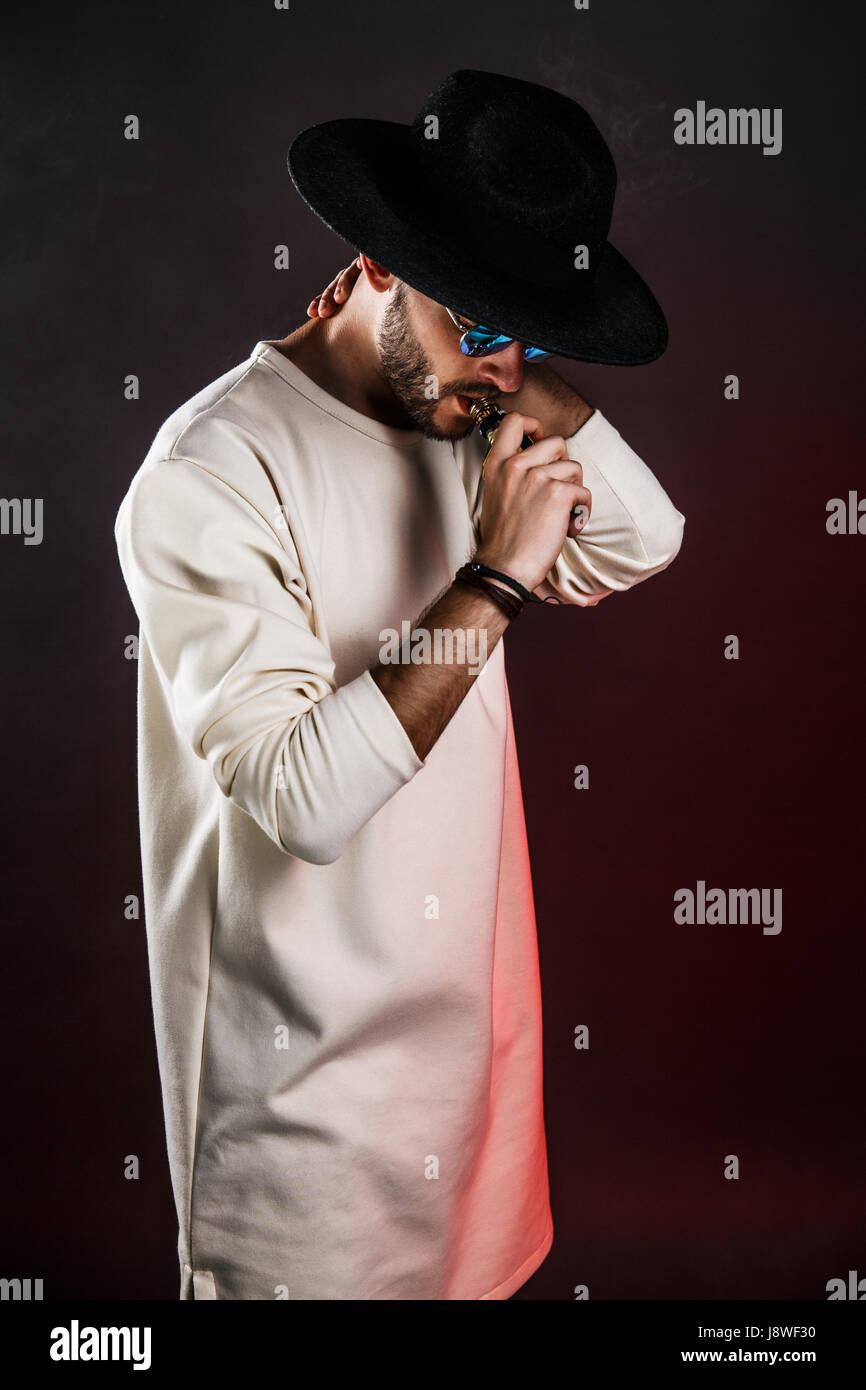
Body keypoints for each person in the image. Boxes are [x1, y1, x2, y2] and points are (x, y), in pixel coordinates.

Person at [114, 68, 685, 1301]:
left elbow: (646, 535)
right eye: (474, 324)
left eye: (530, 331)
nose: (505, 370)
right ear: (373, 263)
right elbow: (302, 802)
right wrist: (493, 578)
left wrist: (489, 347)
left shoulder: (465, 412)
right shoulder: (208, 474)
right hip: (302, 1119)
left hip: (477, 1080)